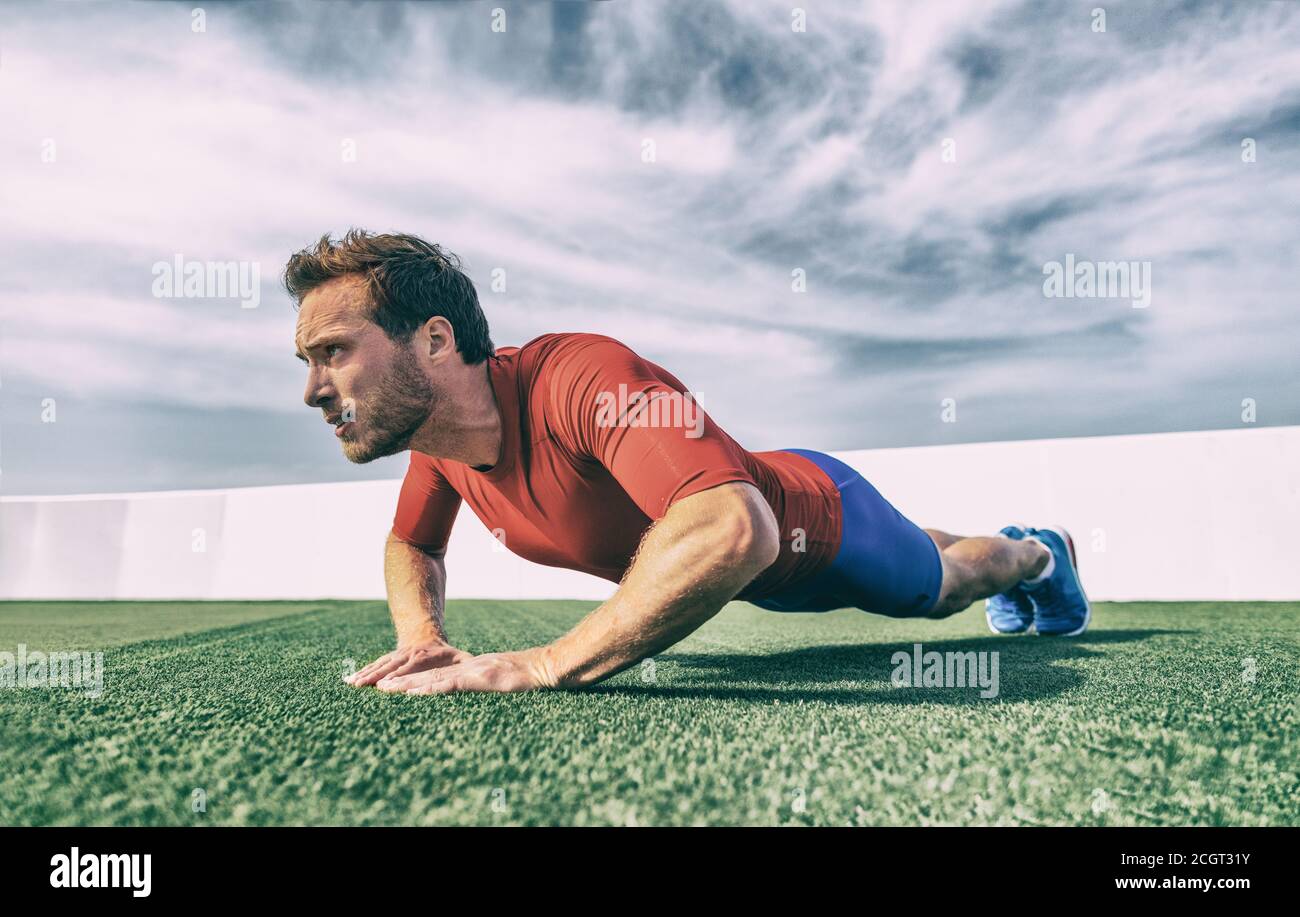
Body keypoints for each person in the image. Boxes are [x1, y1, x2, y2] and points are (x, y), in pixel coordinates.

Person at [285, 230, 1091, 695]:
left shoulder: (577, 378)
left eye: (333, 353)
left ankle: (1036, 551)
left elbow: (735, 528)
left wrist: (547, 662)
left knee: (943, 586)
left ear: (433, 339)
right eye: (305, 361)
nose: (315, 389)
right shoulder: (441, 450)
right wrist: (421, 632)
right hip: (754, 540)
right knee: (930, 541)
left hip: (817, 523)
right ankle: (1002, 548)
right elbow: (412, 544)